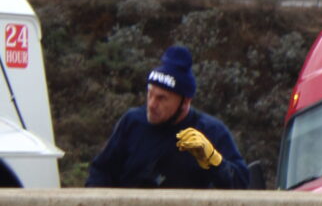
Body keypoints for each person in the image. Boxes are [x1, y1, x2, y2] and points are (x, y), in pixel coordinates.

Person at [85, 45, 250, 189]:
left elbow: (241, 184)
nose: (151, 104)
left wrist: (213, 160)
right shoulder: (132, 122)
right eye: (150, 94)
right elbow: (100, 171)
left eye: (161, 98)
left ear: (185, 102)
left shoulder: (210, 130)